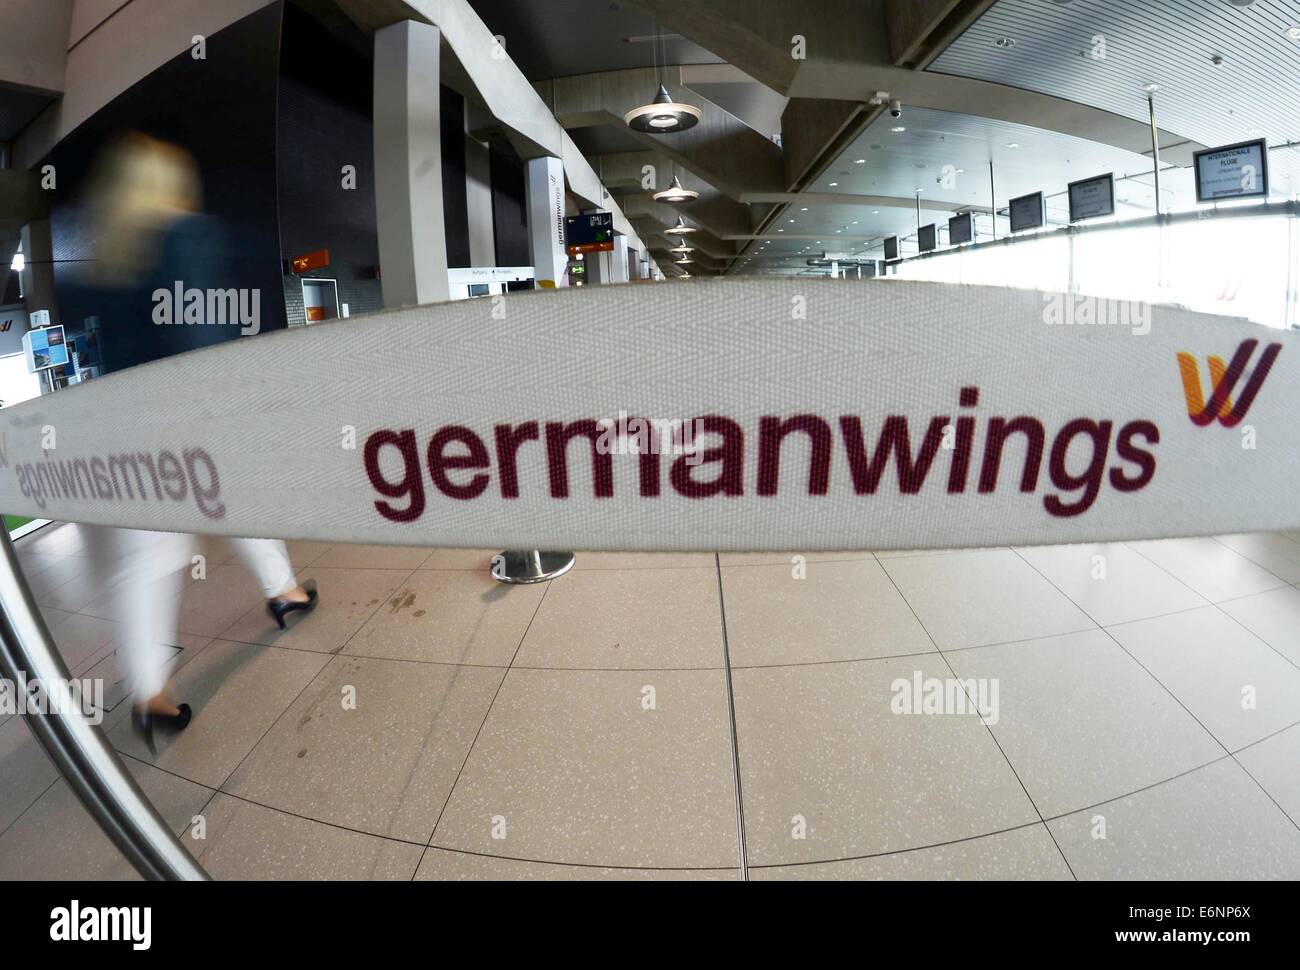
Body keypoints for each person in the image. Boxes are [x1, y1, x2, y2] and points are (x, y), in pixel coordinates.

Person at [80, 133, 319, 752]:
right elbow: (199, 330)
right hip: (185, 417)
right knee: (242, 503)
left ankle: (150, 697)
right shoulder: (183, 234)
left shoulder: (107, 259)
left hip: (121, 429)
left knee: (147, 561)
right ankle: (283, 592)